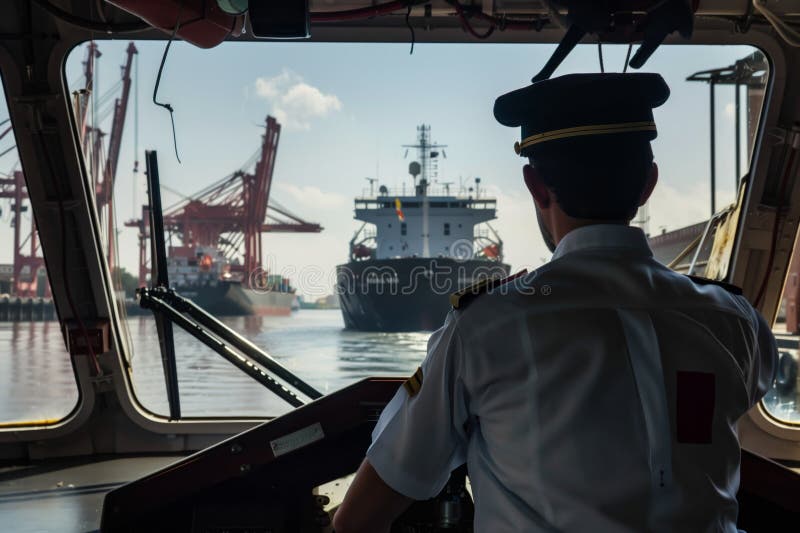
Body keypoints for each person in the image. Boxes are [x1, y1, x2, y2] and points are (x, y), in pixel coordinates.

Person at [332, 73, 778, 533]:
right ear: (649, 183)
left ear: (536, 187)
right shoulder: (737, 321)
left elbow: (360, 518)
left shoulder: (486, 326)